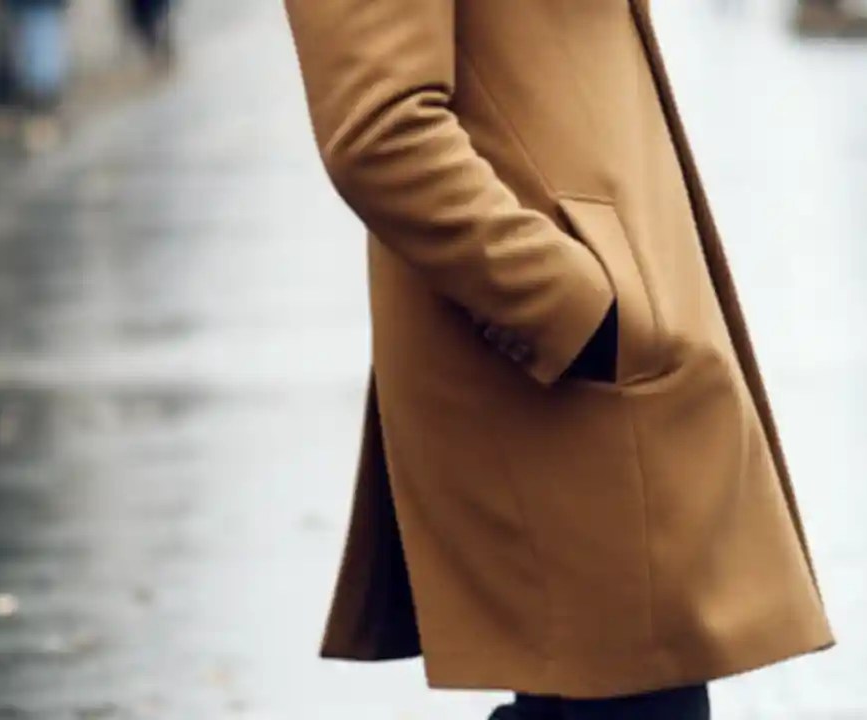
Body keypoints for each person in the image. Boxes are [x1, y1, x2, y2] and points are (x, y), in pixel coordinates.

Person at [283, 1, 835, 718]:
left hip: (607, 364)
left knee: (605, 699)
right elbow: (380, 134)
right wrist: (572, 309)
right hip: (558, 369)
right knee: (633, 699)